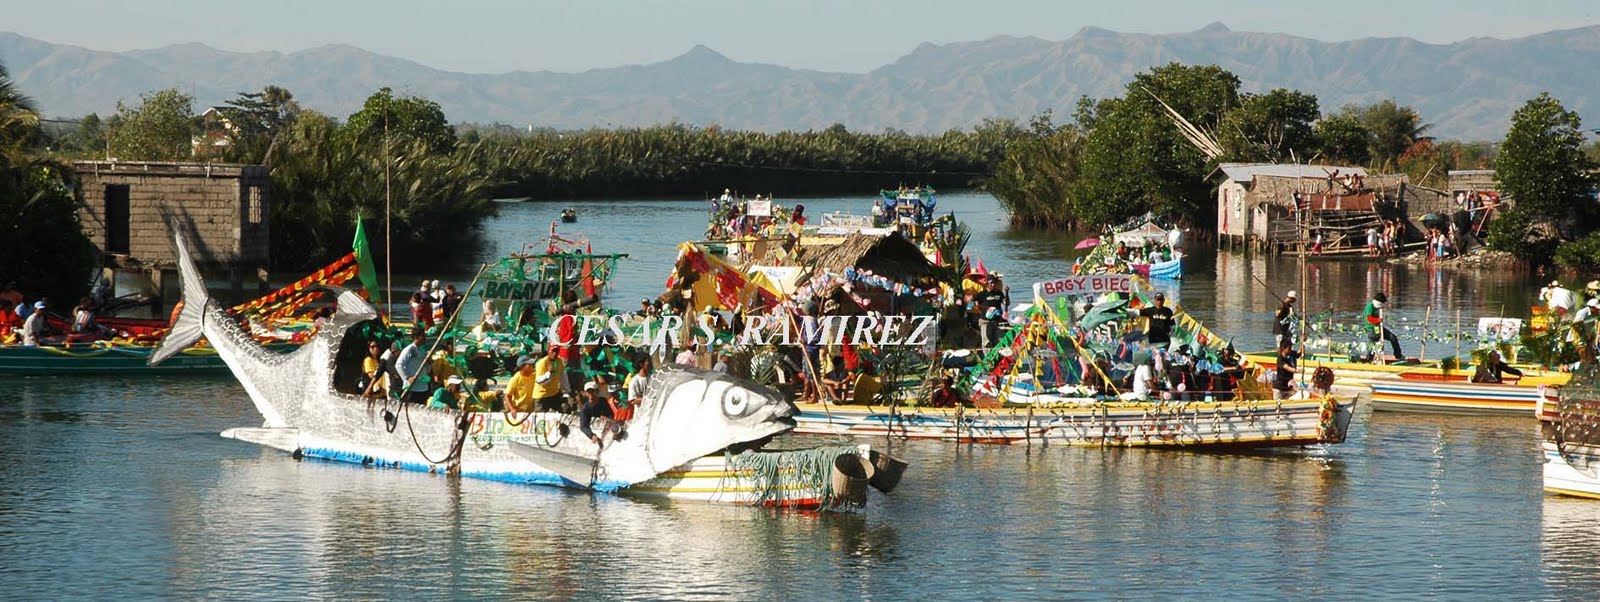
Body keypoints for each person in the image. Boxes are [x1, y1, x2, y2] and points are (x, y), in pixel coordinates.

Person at [1362, 292, 1403, 362]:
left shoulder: (1378, 308)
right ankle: (1368, 360)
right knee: (1374, 346)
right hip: (1371, 329)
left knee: (1393, 337)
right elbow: (1369, 318)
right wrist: (1378, 320)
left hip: (1378, 327)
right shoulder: (1370, 307)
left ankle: (1398, 355)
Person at [396, 330, 431, 404]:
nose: (425, 338)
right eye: (423, 336)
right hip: (413, 388)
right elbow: (399, 365)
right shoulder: (410, 349)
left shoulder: (422, 351)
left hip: (423, 387)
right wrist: (407, 377)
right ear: (416, 337)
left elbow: (425, 367)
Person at [578, 380, 615, 445]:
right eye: (588, 392)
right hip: (595, 431)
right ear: (585, 394)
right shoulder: (585, 409)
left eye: (592, 391)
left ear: (597, 391)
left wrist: (607, 418)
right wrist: (591, 435)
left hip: (607, 430)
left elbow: (611, 414)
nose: (591, 393)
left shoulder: (603, 401)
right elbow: (583, 426)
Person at [974, 279, 1007, 349]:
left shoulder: (999, 293)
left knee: (996, 342)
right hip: (985, 321)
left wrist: (1007, 293)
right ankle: (988, 358)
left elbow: (1006, 303)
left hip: (996, 321)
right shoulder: (982, 294)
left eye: (994, 283)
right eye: (991, 283)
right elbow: (971, 300)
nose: (993, 285)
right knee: (986, 342)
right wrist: (978, 307)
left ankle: (995, 357)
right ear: (987, 284)